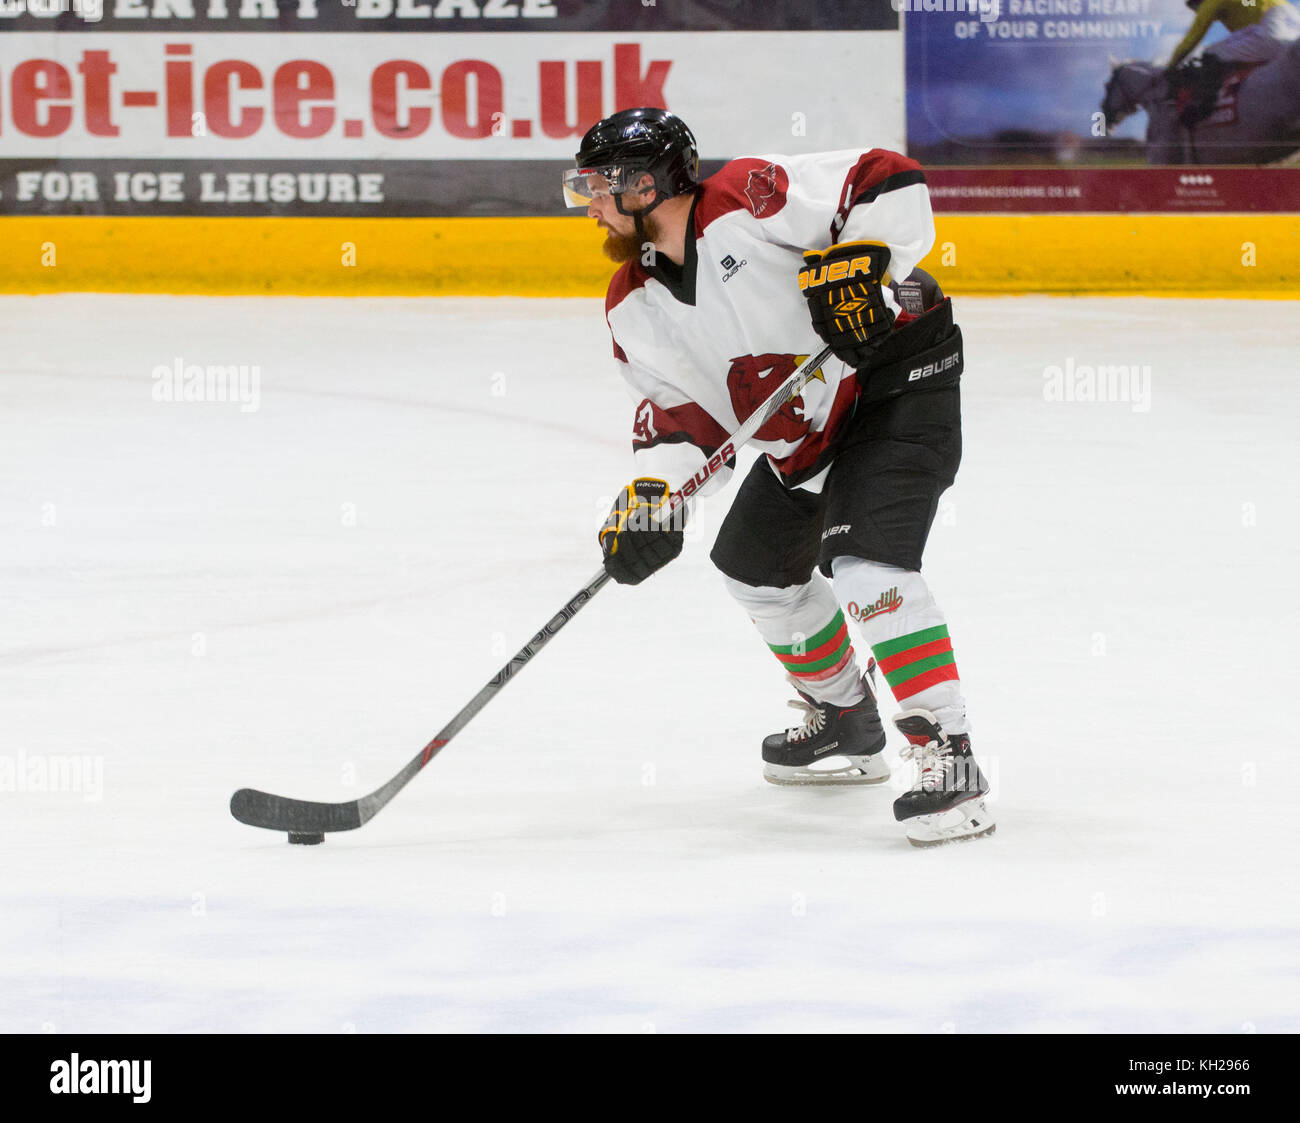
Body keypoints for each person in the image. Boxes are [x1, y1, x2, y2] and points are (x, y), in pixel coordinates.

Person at [563, 108, 994, 847]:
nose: (590, 204)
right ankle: (847, 719)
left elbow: (884, 177)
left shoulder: (744, 198)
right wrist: (653, 497)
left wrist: (866, 260)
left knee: (863, 563)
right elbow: (682, 421)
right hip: (810, 433)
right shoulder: (633, 303)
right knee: (755, 567)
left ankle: (949, 757)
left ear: (650, 185)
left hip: (895, 379)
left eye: (602, 186)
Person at [1166, 0, 1300, 122]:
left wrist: (1170, 65)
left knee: (1210, 52)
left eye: (1195, 7)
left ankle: (1203, 108)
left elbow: (1192, 37)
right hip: (1294, 21)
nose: (1196, 11)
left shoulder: (1210, 3)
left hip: (1272, 28)